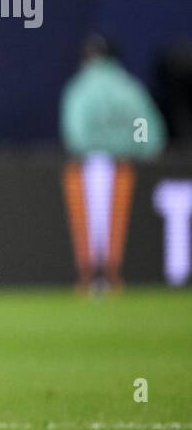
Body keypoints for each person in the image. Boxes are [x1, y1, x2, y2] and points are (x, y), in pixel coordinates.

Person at [60, 35, 166, 293]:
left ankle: (93, 276)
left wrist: (95, 144)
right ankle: (114, 276)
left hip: (90, 164)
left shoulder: (80, 88)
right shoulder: (130, 88)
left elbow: (75, 135)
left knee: (94, 225)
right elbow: (149, 133)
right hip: (123, 164)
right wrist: (133, 146)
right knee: (117, 222)